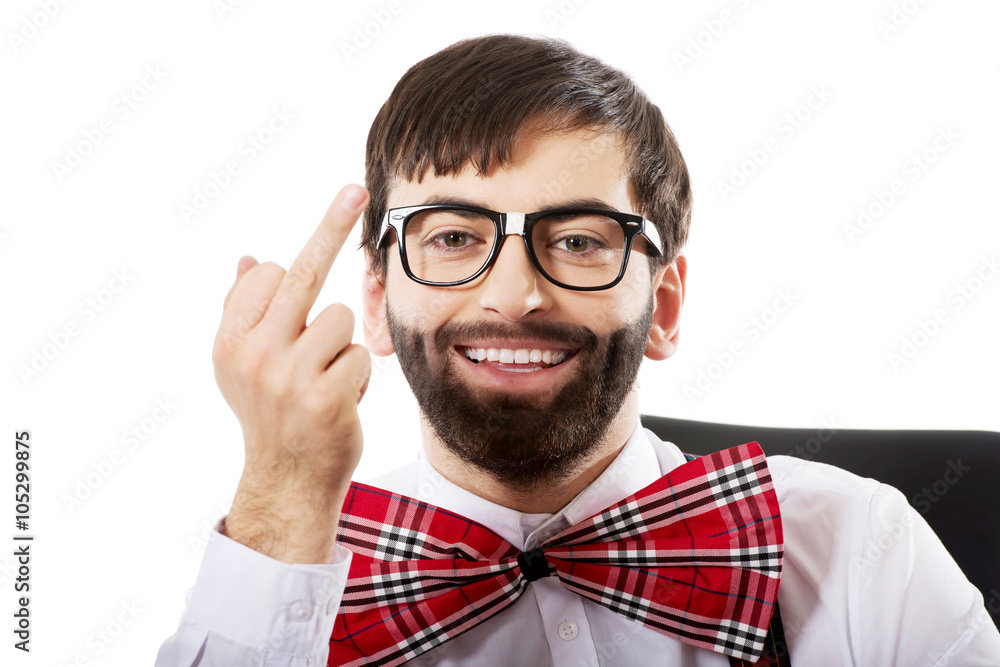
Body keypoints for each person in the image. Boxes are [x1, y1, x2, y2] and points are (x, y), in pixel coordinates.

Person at [156, 34, 1000, 666]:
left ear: (663, 304)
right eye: (453, 236)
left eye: (581, 241)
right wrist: (280, 494)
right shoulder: (285, 573)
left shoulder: (861, 549)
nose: (515, 293)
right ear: (377, 302)